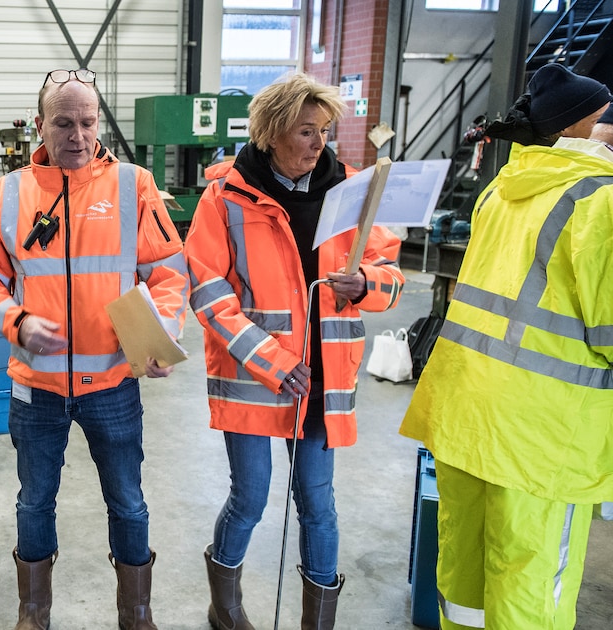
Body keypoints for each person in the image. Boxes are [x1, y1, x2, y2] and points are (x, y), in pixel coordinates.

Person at [0, 68, 188, 630]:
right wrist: (17, 323)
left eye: (88, 122)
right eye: (63, 122)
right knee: (34, 503)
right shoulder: (7, 193)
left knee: (128, 502)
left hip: (113, 383)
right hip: (35, 386)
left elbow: (167, 273)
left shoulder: (133, 185)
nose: (78, 135)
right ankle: (33, 613)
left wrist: (159, 333)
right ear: (40, 124)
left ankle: (136, 614)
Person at [184, 72, 405, 630]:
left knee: (319, 506)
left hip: (325, 381)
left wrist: (368, 285)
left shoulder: (354, 191)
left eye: (325, 131)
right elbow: (208, 293)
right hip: (258, 379)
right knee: (250, 500)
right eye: (306, 131)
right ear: (272, 131)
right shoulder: (225, 196)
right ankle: (225, 608)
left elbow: (390, 271)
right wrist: (275, 363)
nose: (318, 144)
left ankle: (317, 621)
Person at [400, 64, 613, 630]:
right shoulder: (599, 200)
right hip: (543, 436)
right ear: (585, 127)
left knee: (466, 582)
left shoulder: (505, 187)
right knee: (531, 582)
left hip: (466, 419)